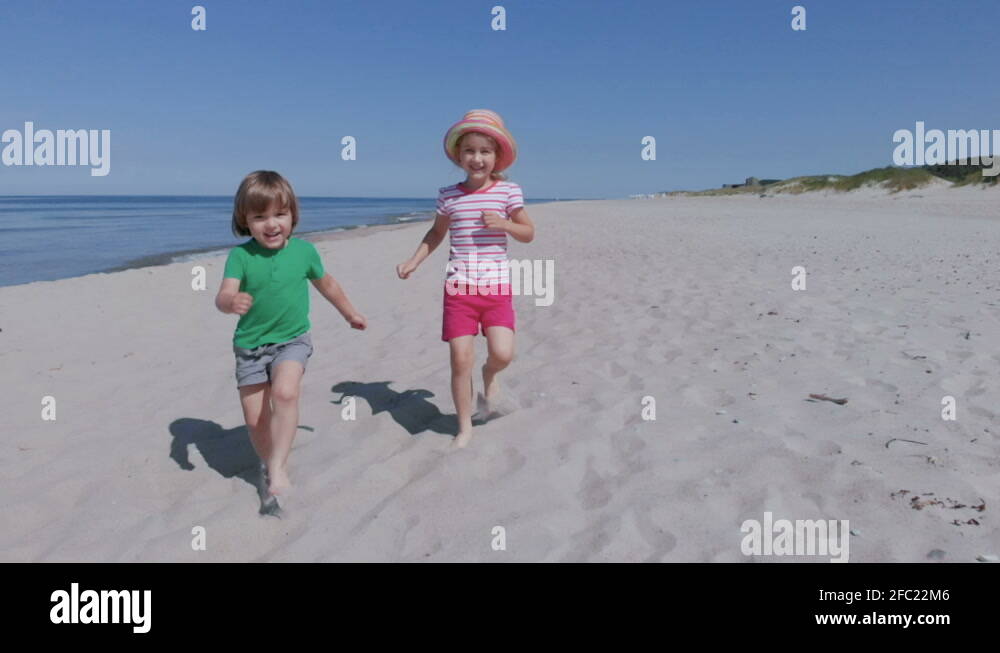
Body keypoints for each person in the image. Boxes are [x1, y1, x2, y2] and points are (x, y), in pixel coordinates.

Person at [215, 170, 366, 513]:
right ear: (244, 220)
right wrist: (229, 303)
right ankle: (270, 460)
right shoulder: (240, 257)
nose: (271, 225)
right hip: (250, 348)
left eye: (280, 215)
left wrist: (349, 313)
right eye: (260, 217)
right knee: (256, 421)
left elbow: (328, 285)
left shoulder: (305, 253)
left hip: (292, 340)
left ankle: (279, 469)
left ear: (293, 216)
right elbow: (224, 294)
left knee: (285, 393)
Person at [396, 110, 535, 448]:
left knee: (503, 354)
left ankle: (490, 378)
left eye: (485, 152)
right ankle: (464, 427)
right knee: (460, 360)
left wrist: (504, 225)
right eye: (470, 151)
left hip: (496, 288)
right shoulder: (448, 195)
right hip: (459, 289)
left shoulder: (508, 192)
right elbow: (436, 232)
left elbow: (528, 232)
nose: (477, 158)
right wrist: (414, 259)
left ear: (497, 156)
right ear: (459, 155)